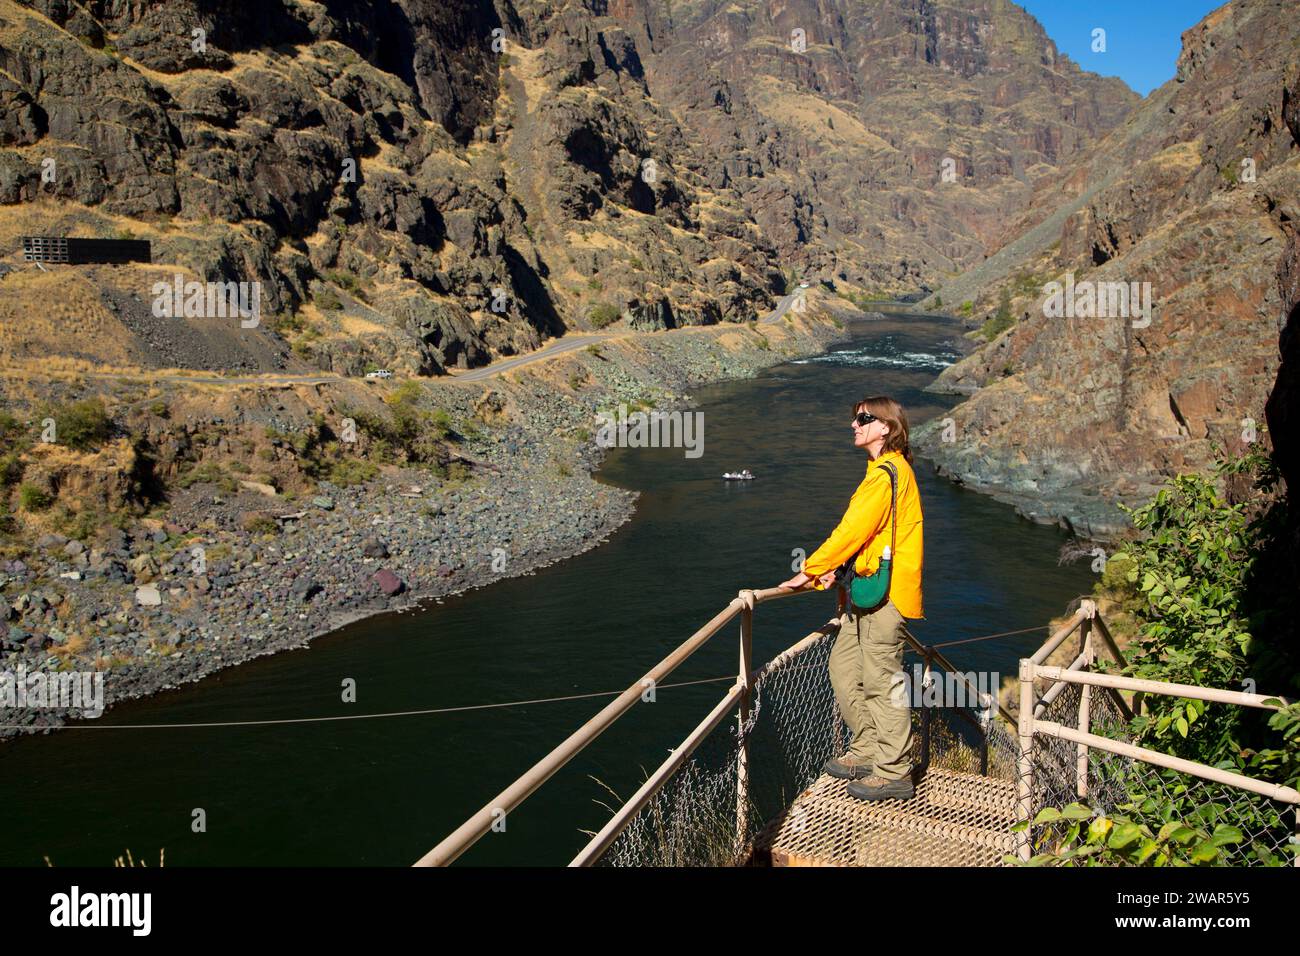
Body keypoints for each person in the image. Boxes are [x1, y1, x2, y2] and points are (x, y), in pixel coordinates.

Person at [777, 395, 924, 801]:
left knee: (882, 681)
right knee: (844, 670)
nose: (854, 425)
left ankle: (893, 772)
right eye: (855, 419)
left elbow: (851, 531)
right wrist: (837, 571)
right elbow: (872, 538)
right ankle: (867, 748)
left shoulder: (887, 473)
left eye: (863, 419)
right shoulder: (882, 472)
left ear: (886, 428)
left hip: (886, 595)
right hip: (866, 591)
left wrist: (808, 570)